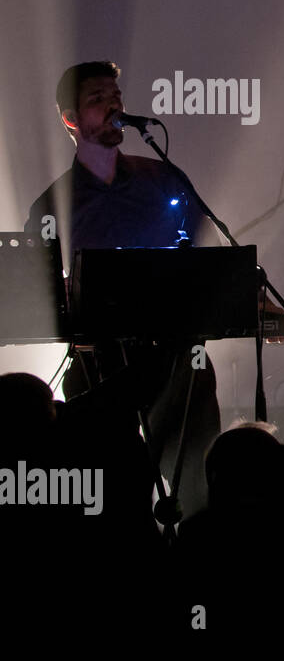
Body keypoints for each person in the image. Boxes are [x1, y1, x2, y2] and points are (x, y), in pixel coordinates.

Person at [24, 60, 222, 518]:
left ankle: (196, 561)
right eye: (97, 99)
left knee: (195, 478)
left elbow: (207, 258)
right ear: (70, 119)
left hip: (174, 354)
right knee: (105, 484)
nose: (113, 105)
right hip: (99, 360)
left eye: (116, 96)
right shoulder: (52, 204)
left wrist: (253, 297)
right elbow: (40, 293)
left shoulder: (165, 178)